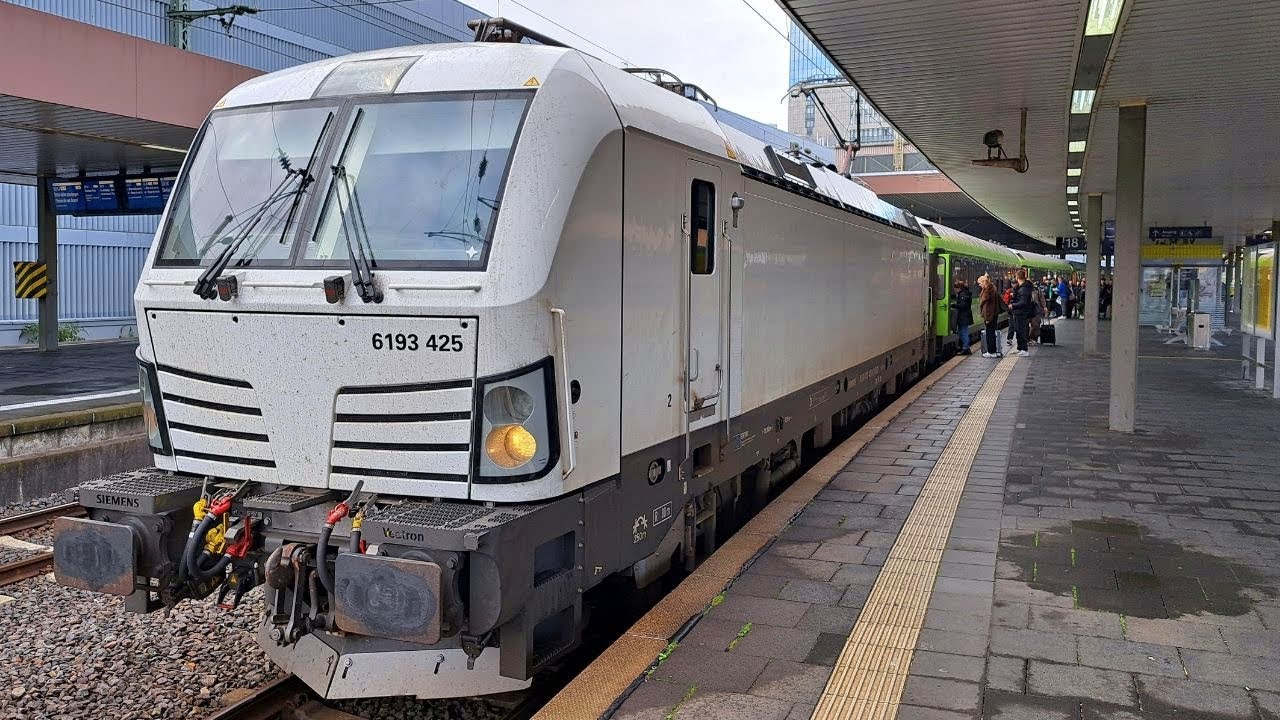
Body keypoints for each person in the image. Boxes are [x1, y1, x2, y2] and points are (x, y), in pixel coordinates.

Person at [1010, 269, 1036, 356]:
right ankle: (1020, 348)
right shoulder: (1022, 287)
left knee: (1021, 331)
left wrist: (1013, 305)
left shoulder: (1024, 288)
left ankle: (1024, 349)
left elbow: (1023, 302)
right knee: (1018, 330)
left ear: (1017, 277)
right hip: (1019, 312)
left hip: (1022, 312)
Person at [978, 274, 1003, 358]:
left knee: (990, 334)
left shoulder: (987, 291)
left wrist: (987, 318)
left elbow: (988, 307)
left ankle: (991, 352)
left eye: (980, 283)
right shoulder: (993, 289)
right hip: (993, 315)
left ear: (983, 282)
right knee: (991, 333)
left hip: (990, 316)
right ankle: (993, 351)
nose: (979, 285)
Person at [951, 279, 974, 355]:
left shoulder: (962, 295)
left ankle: (966, 348)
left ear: (959, 288)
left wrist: (954, 305)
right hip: (964, 316)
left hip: (964, 316)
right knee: (963, 332)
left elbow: (963, 305)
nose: (954, 290)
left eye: (955, 288)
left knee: (963, 332)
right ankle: (965, 347)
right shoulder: (964, 293)